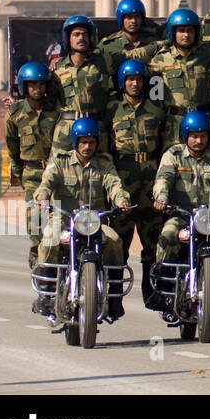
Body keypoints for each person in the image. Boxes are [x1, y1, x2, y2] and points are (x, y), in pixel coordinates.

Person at [32, 118, 133, 318]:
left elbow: (115, 184)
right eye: (83, 142)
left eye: (91, 142)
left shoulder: (103, 163)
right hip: (63, 217)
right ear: (75, 142)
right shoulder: (60, 161)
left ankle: (113, 298)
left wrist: (122, 201)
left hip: (93, 220)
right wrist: (42, 198)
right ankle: (46, 294)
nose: (87, 146)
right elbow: (46, 183)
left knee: (114, 241)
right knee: (50, 238)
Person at [151, 111, 210, 317]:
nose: (198, 140)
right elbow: (163, 179)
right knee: (167, 235)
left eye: (203, 136)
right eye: (194, 136)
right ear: (186, 135)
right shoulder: (173, 154)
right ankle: (163, 289)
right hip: (181, 215)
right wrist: (161, 198)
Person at [106, 58, 166, 303]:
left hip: (151, 177)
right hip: (123, 176)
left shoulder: (156, 108)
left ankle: (153, 292)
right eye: (130, 79)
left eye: (138, 79)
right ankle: (113, 297)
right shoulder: (111, 108)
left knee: (153, 239)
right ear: (123, 82)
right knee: (118, 242)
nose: (134, 83)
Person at [127, 8, 210, 149]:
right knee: (175, 162)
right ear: (173, 33)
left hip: (205, 117)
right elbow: (135, 67)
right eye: (181, 30)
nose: (186, 35)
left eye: (189, 30)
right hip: (176, 122)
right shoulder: (162, 58)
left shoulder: (207, 54)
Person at [5, 62, 60, 269]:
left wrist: (52, 73)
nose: (37, 89)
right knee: (36, 224)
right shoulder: (15, 113)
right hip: (32, 174)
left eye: (41, 84)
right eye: (32, 85)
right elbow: (12, 148)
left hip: (56, 173)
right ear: (24, 87)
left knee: (59, 220)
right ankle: (39, 271)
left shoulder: (55, 110)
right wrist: (23, 175)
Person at [49, 16, 112, 154]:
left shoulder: (102, 62)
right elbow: (46, 98)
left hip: (95, 126)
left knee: (99, 170)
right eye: (76, 34)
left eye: (84, 34)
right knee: (59, 169)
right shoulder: (58, 67)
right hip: (66, 128)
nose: (81, 38)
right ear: (68, 38)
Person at [98, 0, 163, 81]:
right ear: (121, 19)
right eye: (129, 17)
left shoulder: (154, 42)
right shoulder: (107, 45)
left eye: (137, 17)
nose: (133, 21)